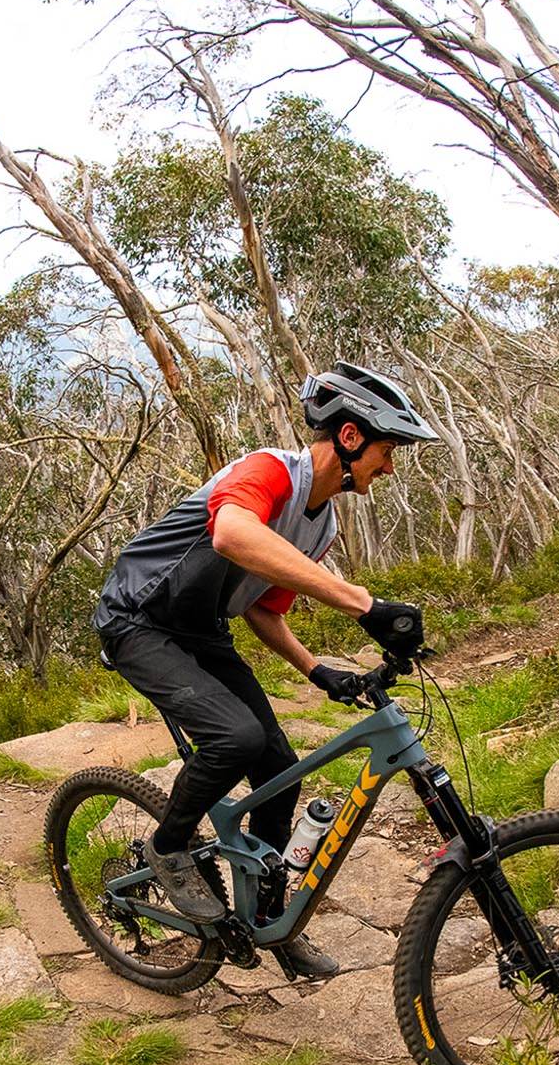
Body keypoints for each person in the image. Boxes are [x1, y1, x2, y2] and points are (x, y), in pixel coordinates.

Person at [91, 362, 434, 980]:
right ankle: (168, 848)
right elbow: (230, 534)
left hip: (201, 631)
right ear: (351, 438)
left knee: (278, 766)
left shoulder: (320, 522)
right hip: (138, 620)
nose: (390, 467)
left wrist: (315, 669)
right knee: (236, 738)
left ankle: (272, 920)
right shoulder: (269, 471)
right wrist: (362, 602)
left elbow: (260, 607)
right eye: (387, 451)